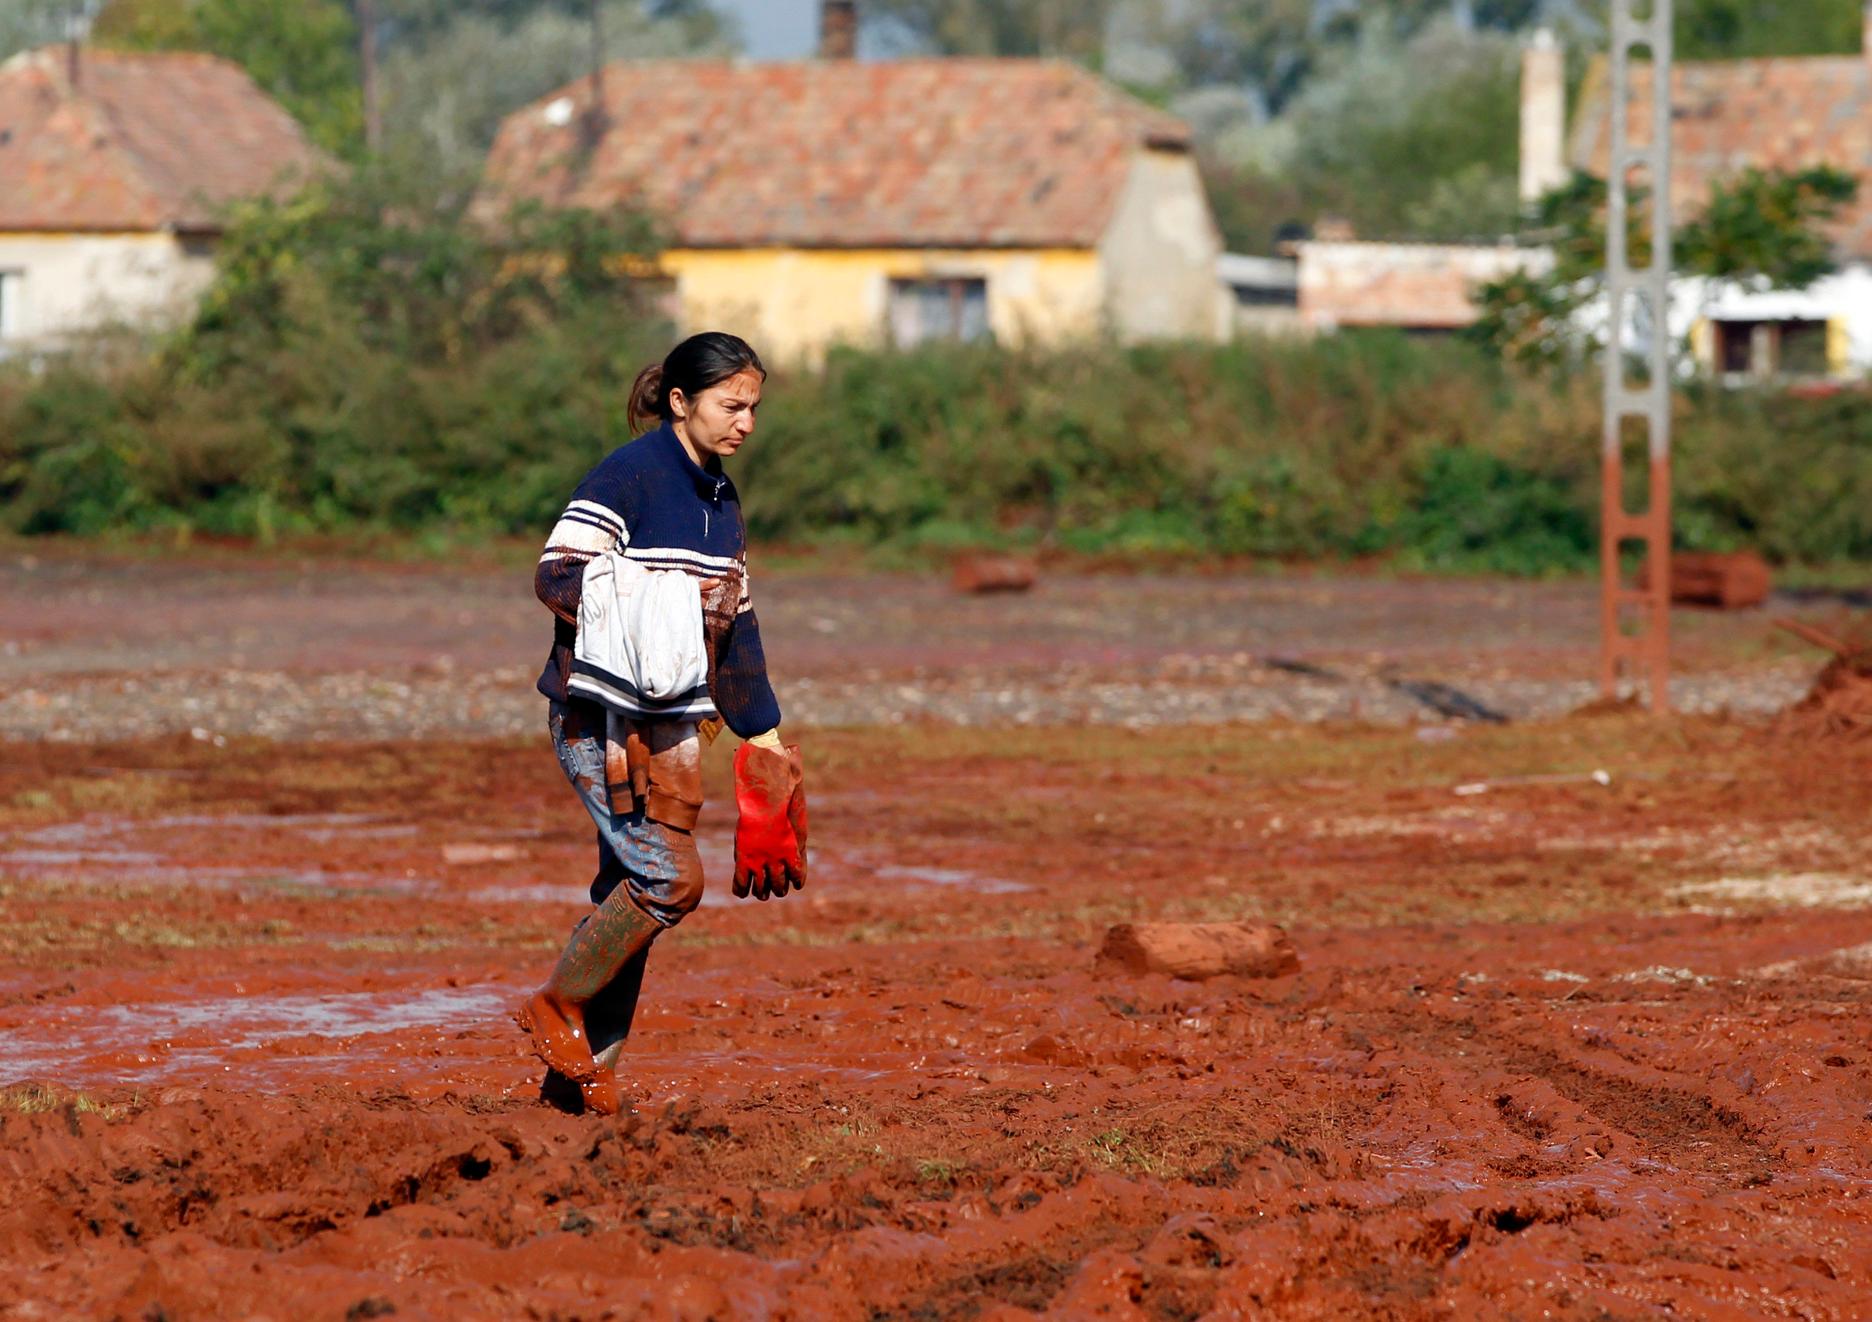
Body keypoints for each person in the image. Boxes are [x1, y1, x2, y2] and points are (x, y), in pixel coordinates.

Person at [515, 331, 808, 1116]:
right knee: (668, 880)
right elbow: (557, 574)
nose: (745, 422)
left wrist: (767, 738)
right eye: (730, 405)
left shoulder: (723, 499)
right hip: (596, 721)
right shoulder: (631, 474)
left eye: (753, 408)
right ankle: (552, 1007)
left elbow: (736, 629)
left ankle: (575, 1091)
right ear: (680, 402)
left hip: (677, 731)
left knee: (628, 899)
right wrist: (665, 606)